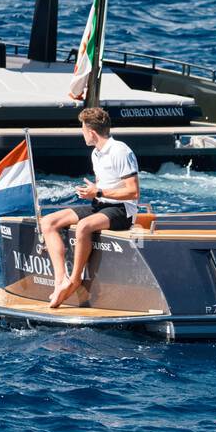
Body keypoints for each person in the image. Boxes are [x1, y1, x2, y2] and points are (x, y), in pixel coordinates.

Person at [40, 107, 140, 308]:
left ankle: (75, 280)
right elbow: (102, 187)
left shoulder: (120, 151)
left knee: (84, 226)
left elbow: (133, 192)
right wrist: (92, 193)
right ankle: (60, 280)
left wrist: (99, 192)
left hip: (121, 210)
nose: (82, 133)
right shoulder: (96, 153)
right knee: (48, 222)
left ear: (91, 132)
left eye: (82, 129)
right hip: (100, 205)